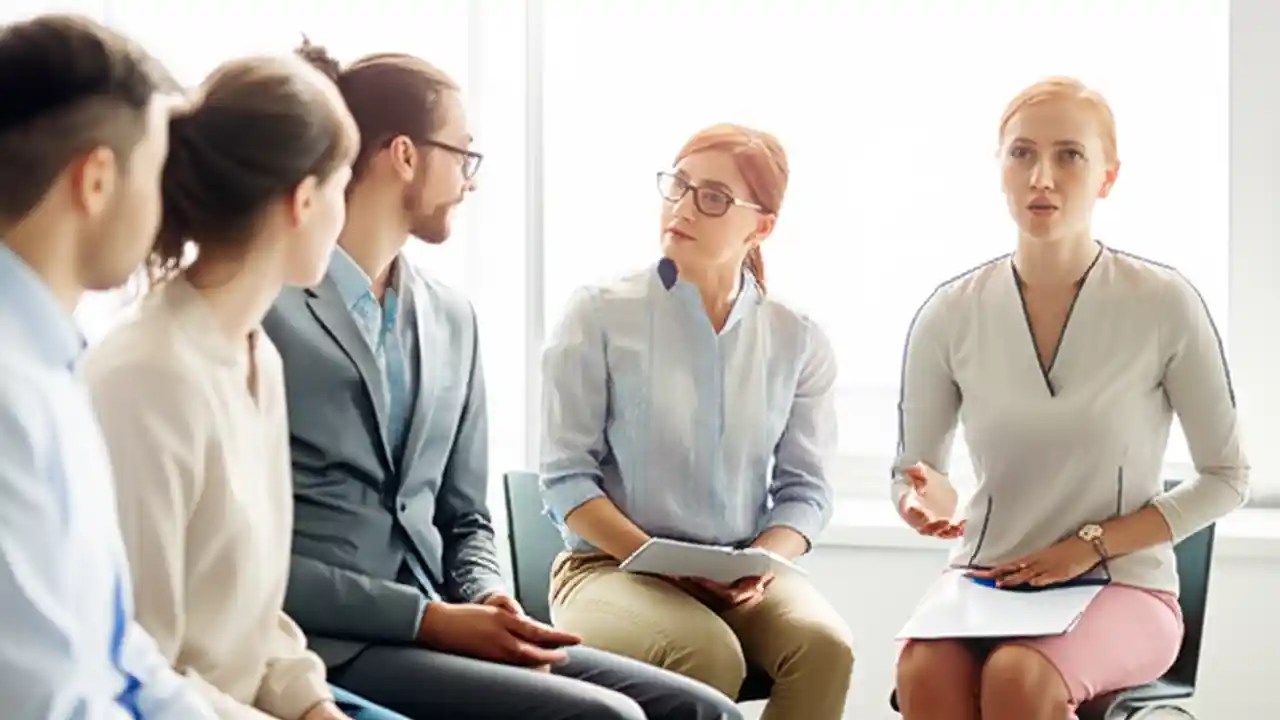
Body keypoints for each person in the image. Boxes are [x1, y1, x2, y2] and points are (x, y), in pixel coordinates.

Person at [262, 39, 742, 720]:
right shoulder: (268, 310)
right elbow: (249, 555)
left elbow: (467, 517)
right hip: (330, 642)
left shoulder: (454, 319)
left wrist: (487, 596)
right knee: (609, 718)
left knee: (704, 712)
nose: (472, 178)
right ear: (404, 155)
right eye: (463, 153)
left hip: (447, 620)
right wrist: (430, 619)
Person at [891, 76, 1249, 720]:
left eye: (1069, 155)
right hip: (986, 578)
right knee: (923, 669)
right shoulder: (949, 314)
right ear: (999, 168)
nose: (1042, 177)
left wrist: (1093, 543)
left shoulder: (1163, 304)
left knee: (1019, 676)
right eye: (1022, 153)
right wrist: (921, 497)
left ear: (1108, 177)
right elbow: (915, 469)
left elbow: (1227, 478)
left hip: (1122, 584)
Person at [83, 52, 408, 720]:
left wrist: (315, 707)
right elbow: (138, 661)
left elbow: (259, 620)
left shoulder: (259, 355)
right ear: (303, 200)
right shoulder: (144, 378)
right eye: (343, 185)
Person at [540, 123, 855, 720]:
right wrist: (667, 563)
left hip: (741, 574)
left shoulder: (798, 338)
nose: (682, 207)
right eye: (677, 186)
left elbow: (806, 491)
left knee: (825, 648)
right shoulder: (599, 313)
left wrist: (762, 562)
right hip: (609, 569)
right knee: (705, 656)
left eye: (712, 197)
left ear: (761, 226)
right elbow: (565, 482)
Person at [0, 14, 215, 719]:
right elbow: (44, 702)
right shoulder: (12, 392)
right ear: (95, 179)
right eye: (153, 173)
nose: (162, 210)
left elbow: (118, 649)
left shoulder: (51, 365)